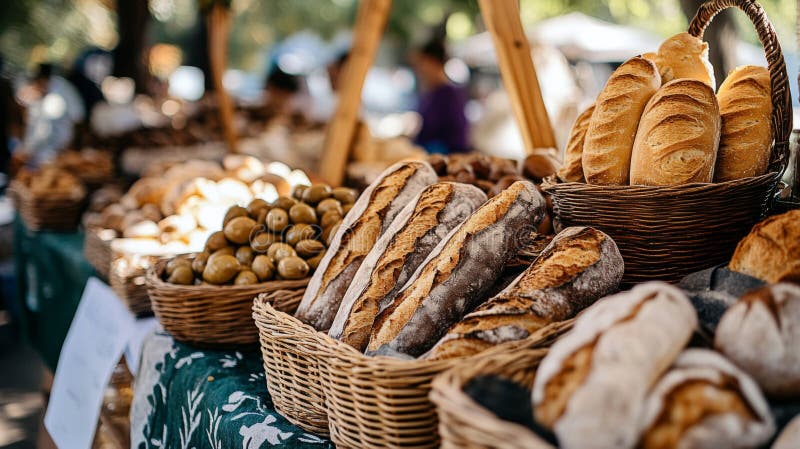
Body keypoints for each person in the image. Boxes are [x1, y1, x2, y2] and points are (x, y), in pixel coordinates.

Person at [411, 39, 470, 154]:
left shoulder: (451, 95)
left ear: (433, 62)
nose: (419, 70)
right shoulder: (429, 93)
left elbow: (459, 141)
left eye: (422, 63)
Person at [22, 63, 85, 165]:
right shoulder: (37, 95)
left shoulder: (63, 89)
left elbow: (78, 118)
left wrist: (73, 148)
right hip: (36, 156)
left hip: (60, 153)